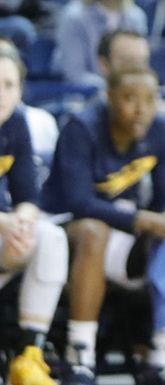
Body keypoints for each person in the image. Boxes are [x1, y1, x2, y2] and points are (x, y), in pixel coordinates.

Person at [49, 67, 165, 385]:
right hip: (64, 229)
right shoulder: (81, 127)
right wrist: (140, 220)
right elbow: (78, 202)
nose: (141, 109)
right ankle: (79, 356)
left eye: (150, 100)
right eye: (129, 98)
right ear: (109, 97)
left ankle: (163, 357)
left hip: (123, 229)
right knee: (94, 230)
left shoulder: (161, 128)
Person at [0, 46, 67, 385]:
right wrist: (7, 223)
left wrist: (22, 223)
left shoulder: (15, 125)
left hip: (4, 234)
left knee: (50, 236)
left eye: (8, 85)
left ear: (20, 91)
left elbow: (28, 194)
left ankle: (29, 356)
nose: (1, 93)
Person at [54, 0, 148, 91]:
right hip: (83, 95)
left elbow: (140, 68)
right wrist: (115, 89)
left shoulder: (136, 17)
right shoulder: (74, 16)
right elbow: (74, 73)